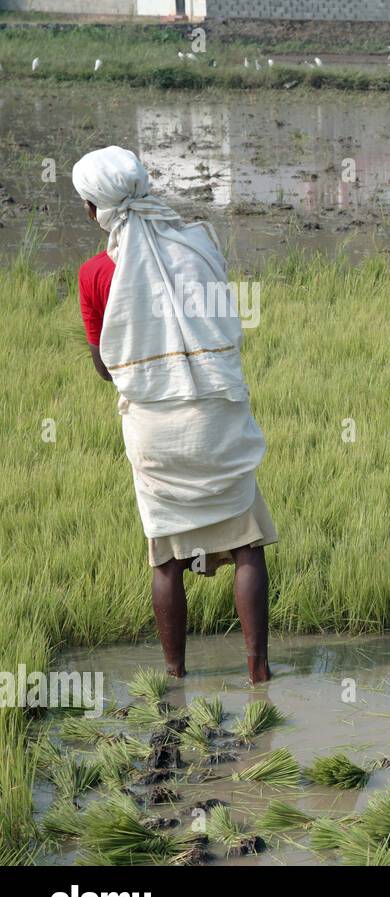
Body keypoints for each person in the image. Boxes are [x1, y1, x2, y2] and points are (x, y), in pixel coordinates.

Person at [73, 146, 276, 683]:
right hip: (215, 417)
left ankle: (176, 676)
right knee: (246, 544)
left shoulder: (96, 273)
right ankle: (258, 673)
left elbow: (107, 367)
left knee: (165, 558)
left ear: (95, 209)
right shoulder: (198, 245)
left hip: (155, 429)